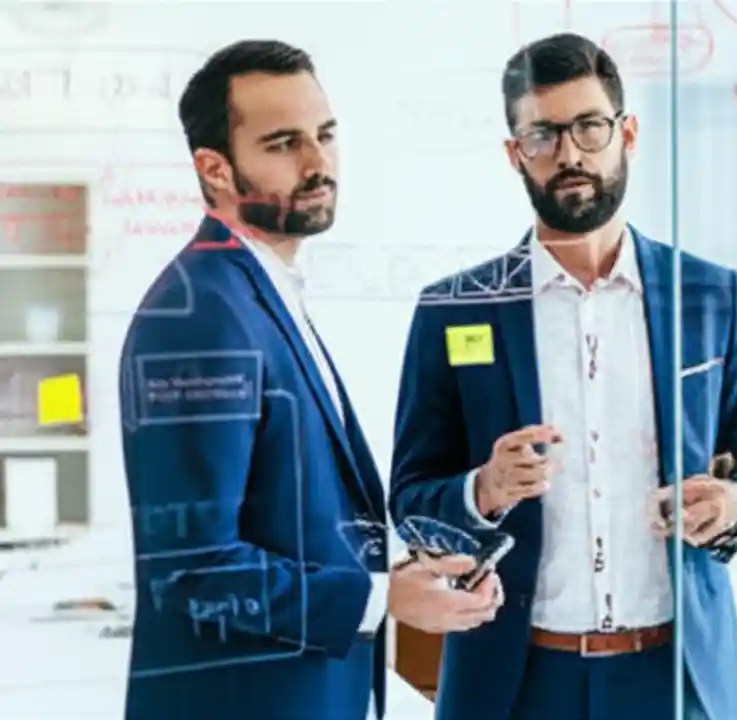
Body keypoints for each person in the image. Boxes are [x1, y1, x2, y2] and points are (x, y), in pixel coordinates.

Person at [388, 32, 737, 720]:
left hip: (675, 679)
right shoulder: (453, 312)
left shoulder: (713, 296)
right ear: (515, 153)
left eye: (589, 127)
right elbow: (410, 500)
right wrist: (481, 489)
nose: (570, 154)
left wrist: (736, 505)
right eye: (543, 134)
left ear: (626, 133)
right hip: (514, 681)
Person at [117, 40, 500, 720]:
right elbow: (196, 569)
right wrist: (383, 600)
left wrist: (403, 578)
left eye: (324, 134)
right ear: (215, 168)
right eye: (284, 143)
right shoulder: (201, 316)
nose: (319, 164)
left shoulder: (259, 293)